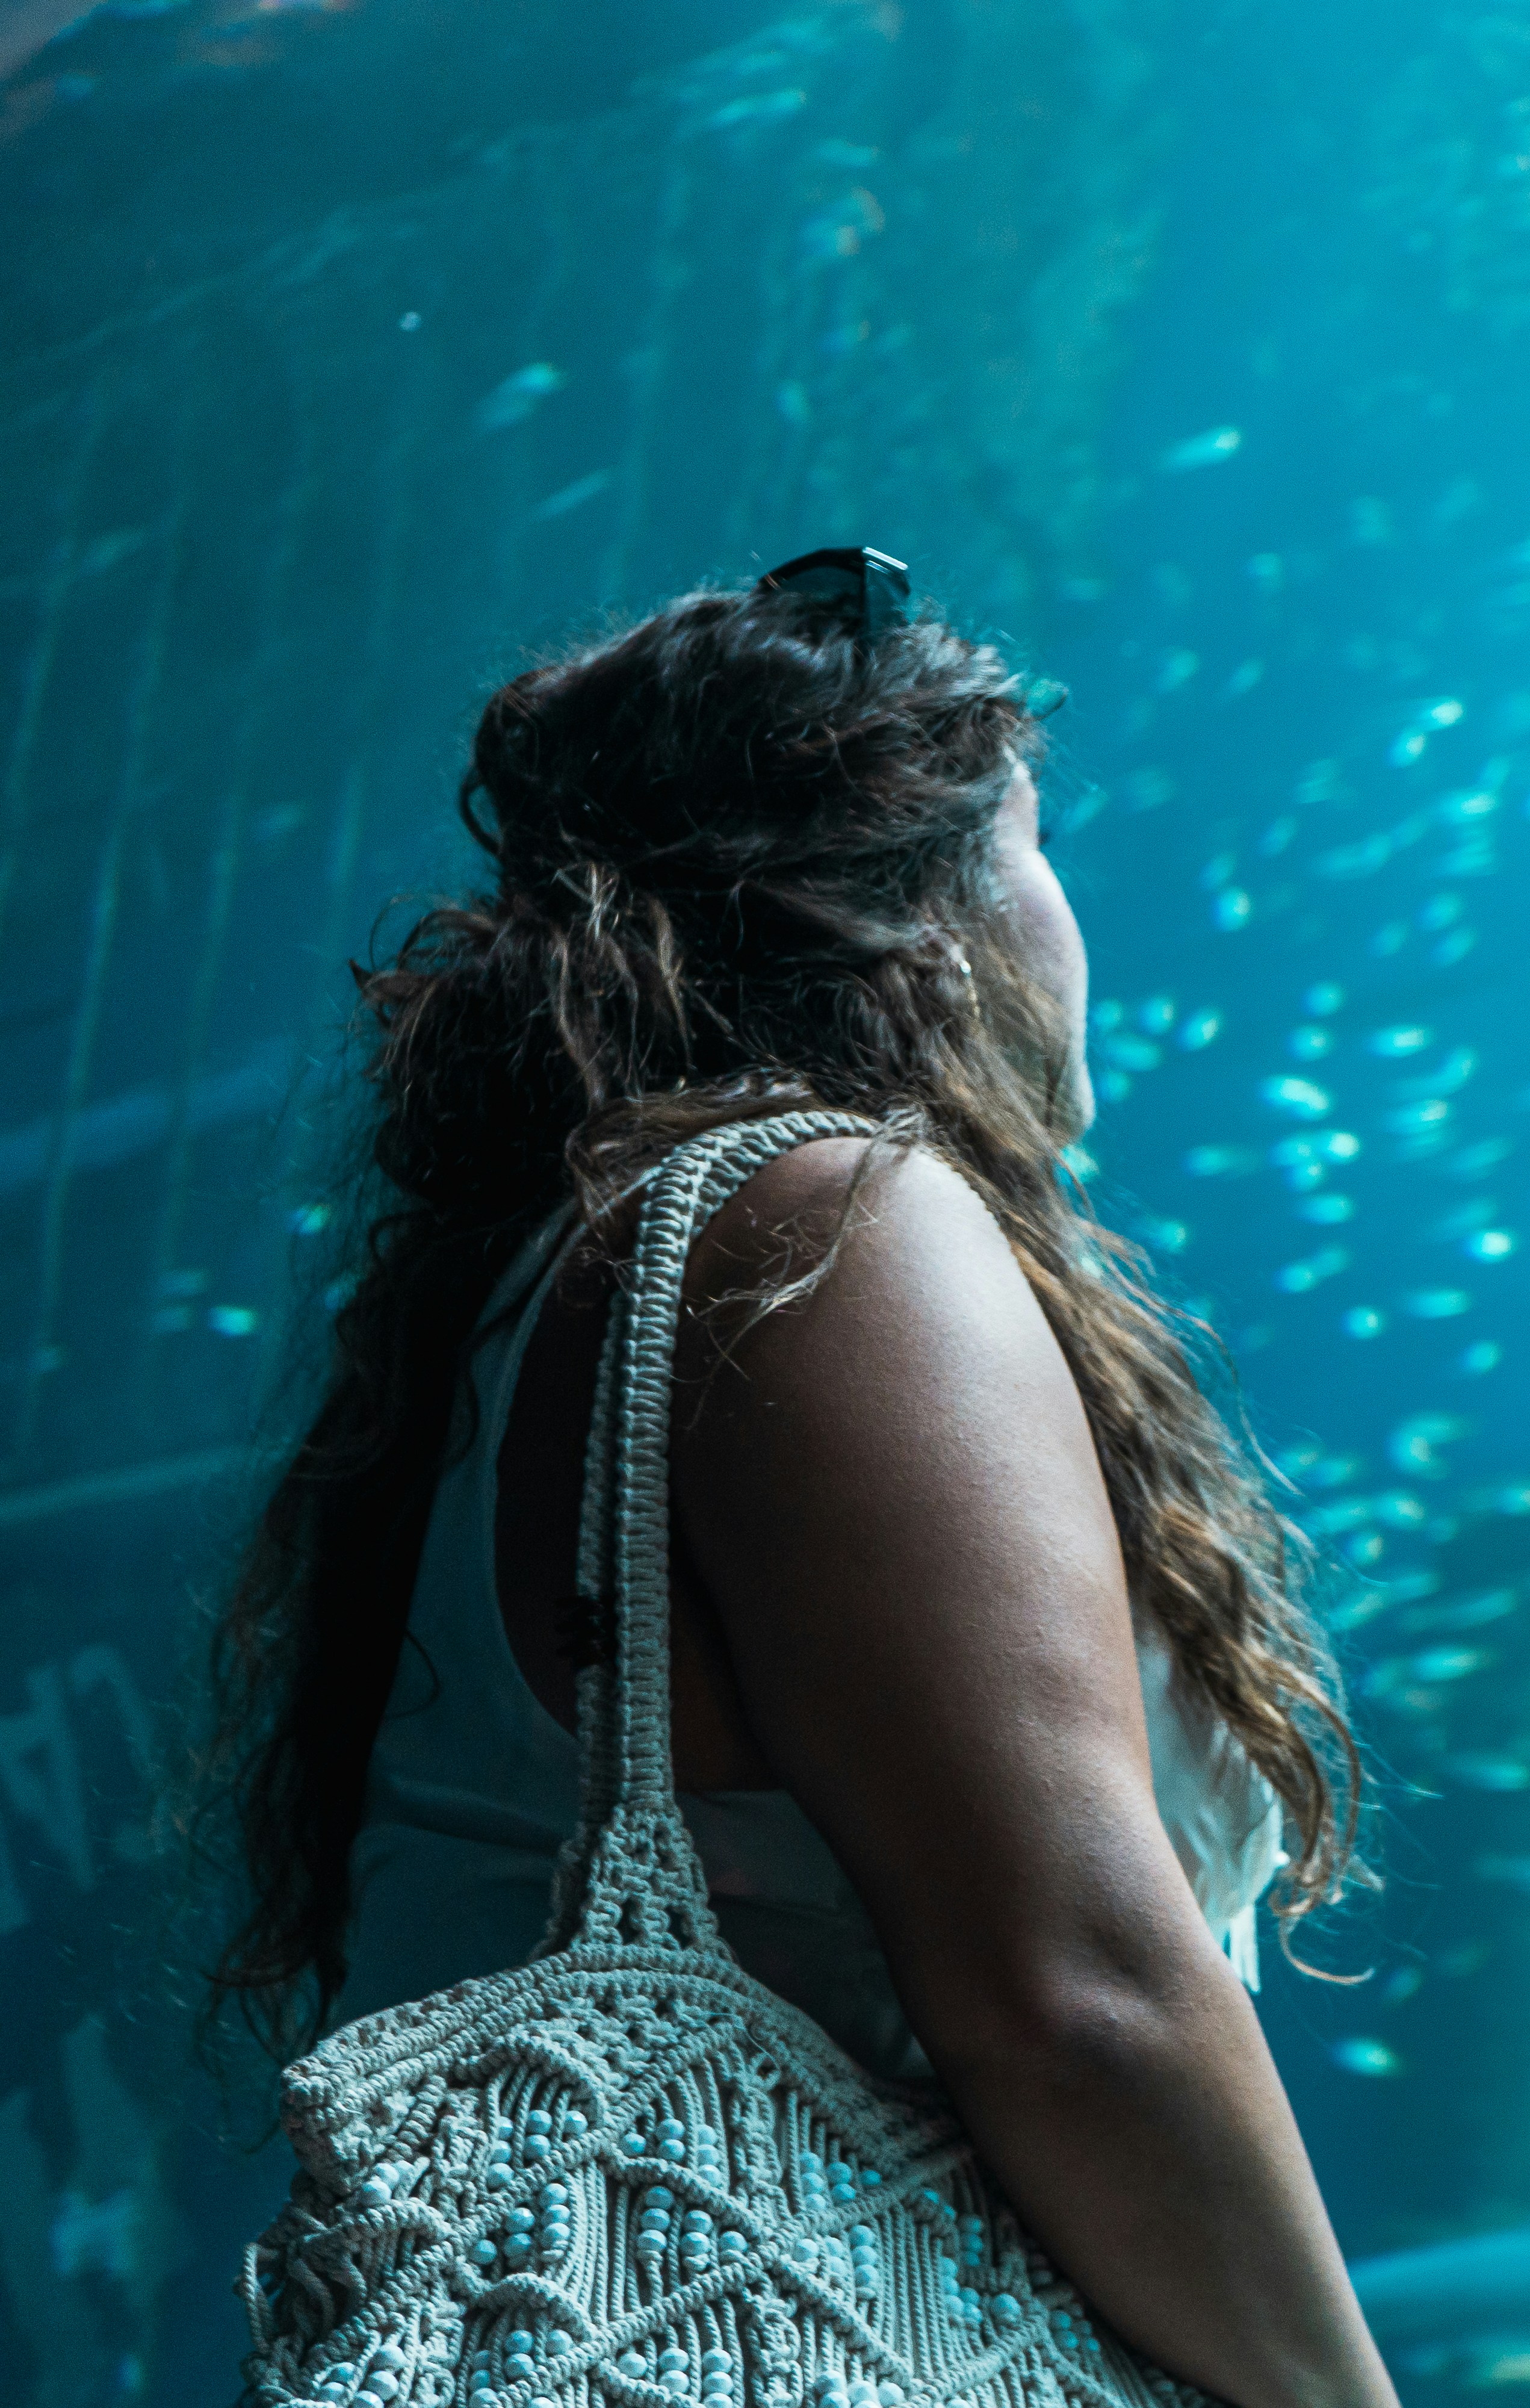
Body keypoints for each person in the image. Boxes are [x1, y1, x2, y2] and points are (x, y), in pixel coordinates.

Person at [190, 553, 1400, 2408]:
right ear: (925, 897)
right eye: (1042, 840)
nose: (1078, 919)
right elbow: (1074, 1997)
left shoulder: (533, 1287)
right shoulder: (823, 1225)